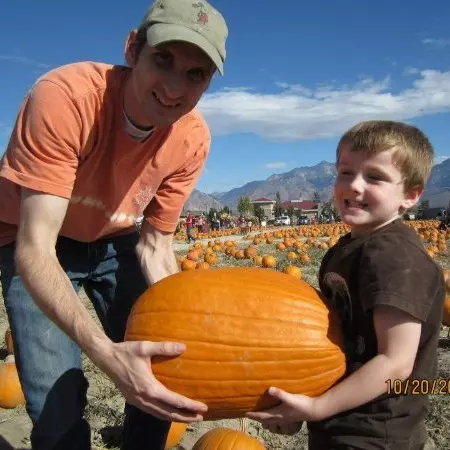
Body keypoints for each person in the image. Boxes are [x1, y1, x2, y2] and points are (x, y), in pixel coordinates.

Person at [0, 0, 228, 449]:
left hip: (113, 239)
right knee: (55, 400)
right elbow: (36, 247)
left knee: (165, 362)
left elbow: (156, 246)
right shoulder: (66, 99)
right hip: (35, 239)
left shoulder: (192, 139)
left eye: (195, 74)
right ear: (131, 49)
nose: (174, 87)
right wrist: (107, 355)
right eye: (163, 59)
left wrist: (190, 333)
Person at [247, 121, 445, 449]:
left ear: (410, 195)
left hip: (377, 431)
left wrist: (318, 407)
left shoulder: (395, 257)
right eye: (345, 172)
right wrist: (306, 405)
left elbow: (395, 362)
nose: (354, 186)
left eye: (375, 177)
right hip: (341, 418)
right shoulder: (346, 248)